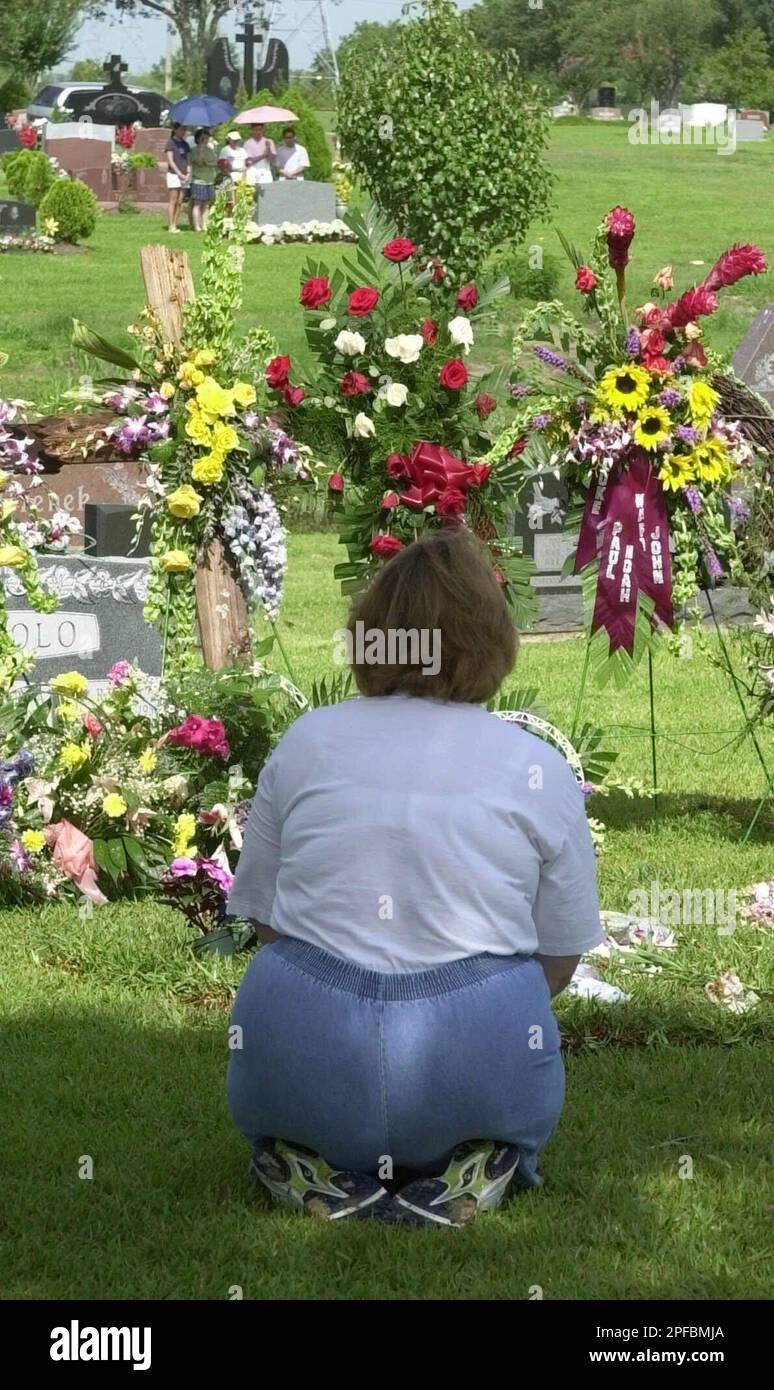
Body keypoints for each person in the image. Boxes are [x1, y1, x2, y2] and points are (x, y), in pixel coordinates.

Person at [226, 531, 602, 1228]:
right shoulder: (536, 764)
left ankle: (300, 1158)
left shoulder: (307, 741)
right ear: (494, 638)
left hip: (306, 1052)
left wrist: (345, 978)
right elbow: (562, 955)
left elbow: (260, 914)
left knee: (280, 976)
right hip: (478, 1053)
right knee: (512, 994)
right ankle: (485, 1157)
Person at [189, 128, 217, 231]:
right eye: (204, 138)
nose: (206, 139)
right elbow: (199, 162)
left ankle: (204, 224)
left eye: (207, 137)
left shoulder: (210, 150)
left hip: (209, 180)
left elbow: (215, 163)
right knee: (197, 204)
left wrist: (208, 164)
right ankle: (197, 226)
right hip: (198, 180)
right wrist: (200, 150)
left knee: (206, 205)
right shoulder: (194, 150)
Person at [164, 123, 190, 234]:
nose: (183, 132)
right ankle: (171, 225)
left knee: (180, 201)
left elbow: (188, 160)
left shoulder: (185, 144)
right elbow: (170, 161)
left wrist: (188, 172)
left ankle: (175, 223)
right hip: (174, 174)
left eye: (185, 130)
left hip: (184, 175)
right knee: (173, 201)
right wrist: (179, 173)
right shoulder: (170, 143)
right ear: (175, 130)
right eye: (181, 130)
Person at [243, 122, 276, 187]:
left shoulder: (269, 141)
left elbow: (272, 160)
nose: (258, 132)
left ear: (263, 130)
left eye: (260, 129)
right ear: (252, 130)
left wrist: (268, 148)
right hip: (252, 171)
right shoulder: (247, 143)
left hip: (265, 171)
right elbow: (249, 161)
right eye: (256, 130)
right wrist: (263, 155)